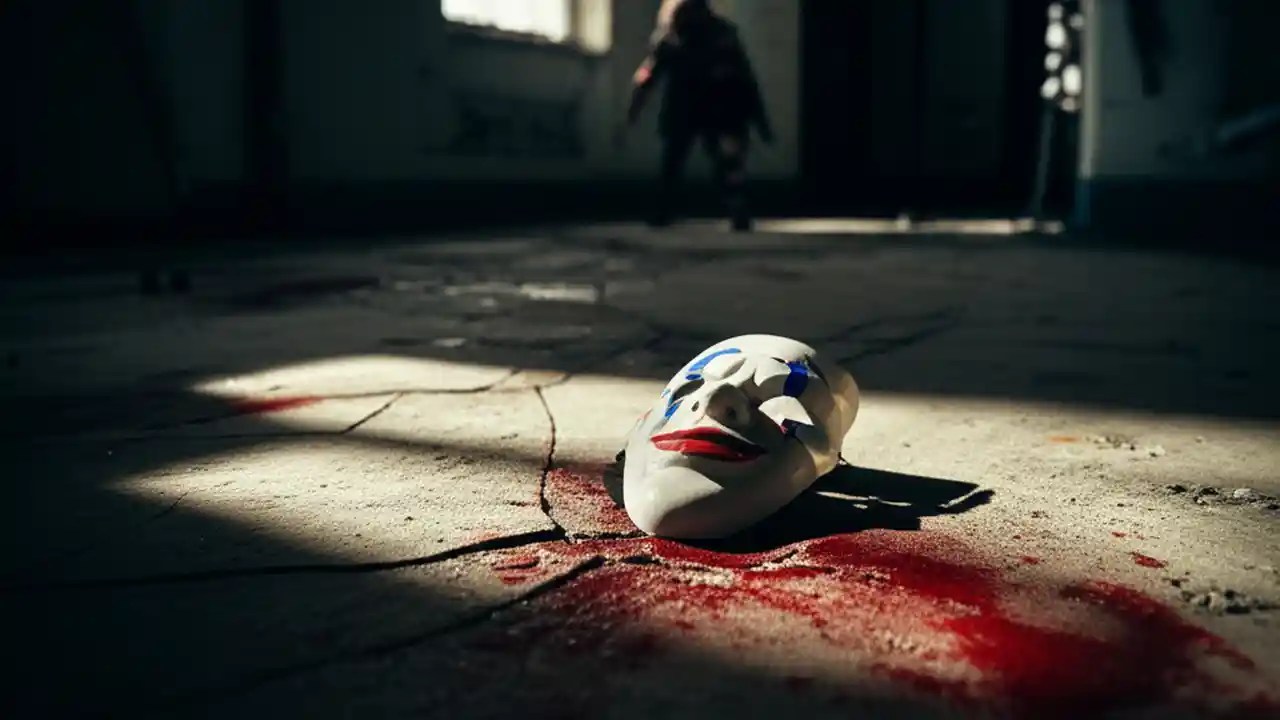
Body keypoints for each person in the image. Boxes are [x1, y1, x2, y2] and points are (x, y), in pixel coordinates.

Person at [626, 0, 773, 231]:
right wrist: (761, 122)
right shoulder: (715, 33)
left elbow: (647, 77)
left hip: (702, 107)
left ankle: (665, 211)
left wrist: (632, 112)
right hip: (708, 108)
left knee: (689, 162)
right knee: (715, 163)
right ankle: (731, 210)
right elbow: (745, 78)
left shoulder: (680, 35)